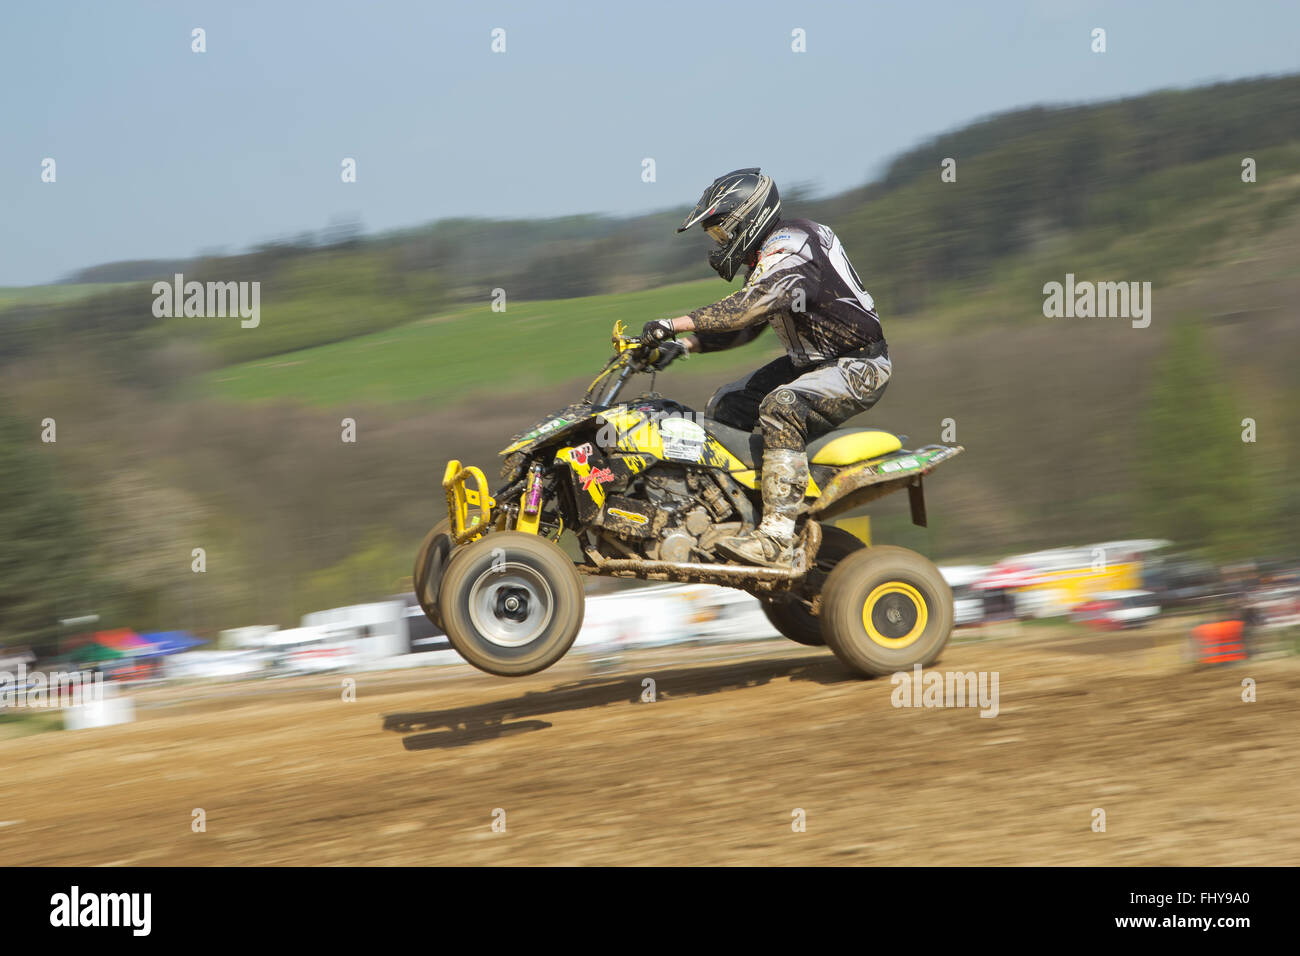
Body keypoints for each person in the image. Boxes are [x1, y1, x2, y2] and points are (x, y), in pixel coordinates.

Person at [641, 167, 890, 568]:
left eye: (720, 231)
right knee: (727, 405)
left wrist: (675, 324)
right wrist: (682, 346)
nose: (719, 243)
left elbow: (747, 308)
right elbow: (749, 328)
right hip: (811, 362)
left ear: (746, 216)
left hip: (857, 363)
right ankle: (736, 513)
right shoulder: (769, 255)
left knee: (782, 406)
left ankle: (775, 536)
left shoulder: (792, 244)